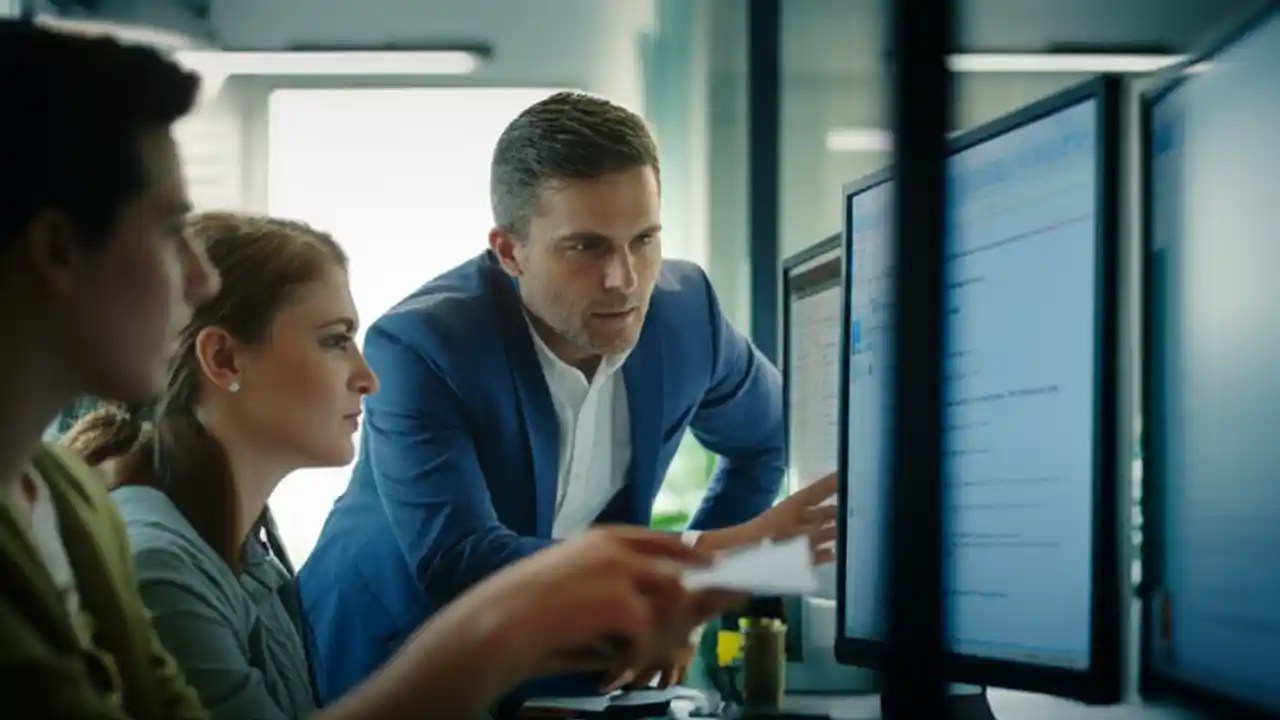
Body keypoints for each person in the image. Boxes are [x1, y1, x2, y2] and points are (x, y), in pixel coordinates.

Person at [0, 22, 735, 719]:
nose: (196, 279)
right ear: (59, 250)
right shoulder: (150, 550)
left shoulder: (78, 504)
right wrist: (506, 629)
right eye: (167, 233)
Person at [299, 90, 839, 703]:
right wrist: (711, 558)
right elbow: (464, 561)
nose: (625, 279)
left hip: (567, 669)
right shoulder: (421, 346)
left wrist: (683, 605)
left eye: (643, 239)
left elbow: (763, 441)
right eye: (587, 247)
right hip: (392, 656)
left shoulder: (686, 316)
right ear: (510, 251)